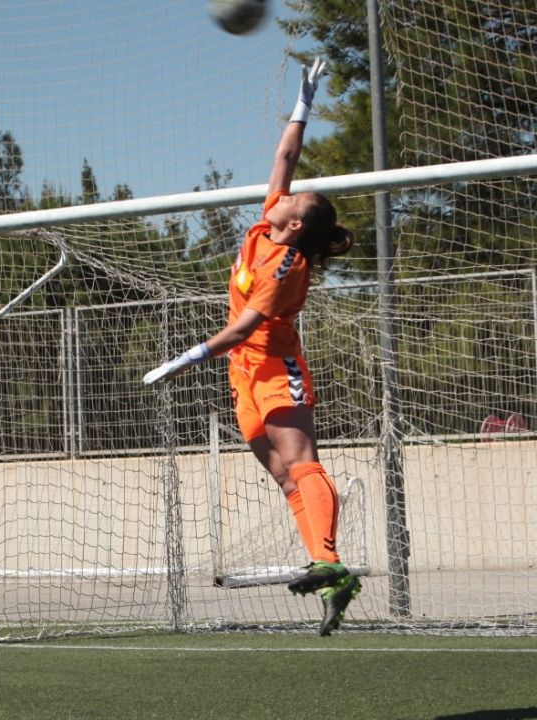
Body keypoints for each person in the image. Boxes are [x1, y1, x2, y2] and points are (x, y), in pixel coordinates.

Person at [143, 58, 359, 636]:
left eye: (294, 200)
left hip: (274, 365)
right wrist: (303, 107)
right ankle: (329, 575)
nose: (285, 195)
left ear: (296, 226)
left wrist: (184, 359)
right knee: (281, 475)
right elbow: (285, 158)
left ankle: (331, 561)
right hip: (241, 372)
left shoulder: (285, 265)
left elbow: (242, 330)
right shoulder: (269, 225)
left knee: (302, 459)